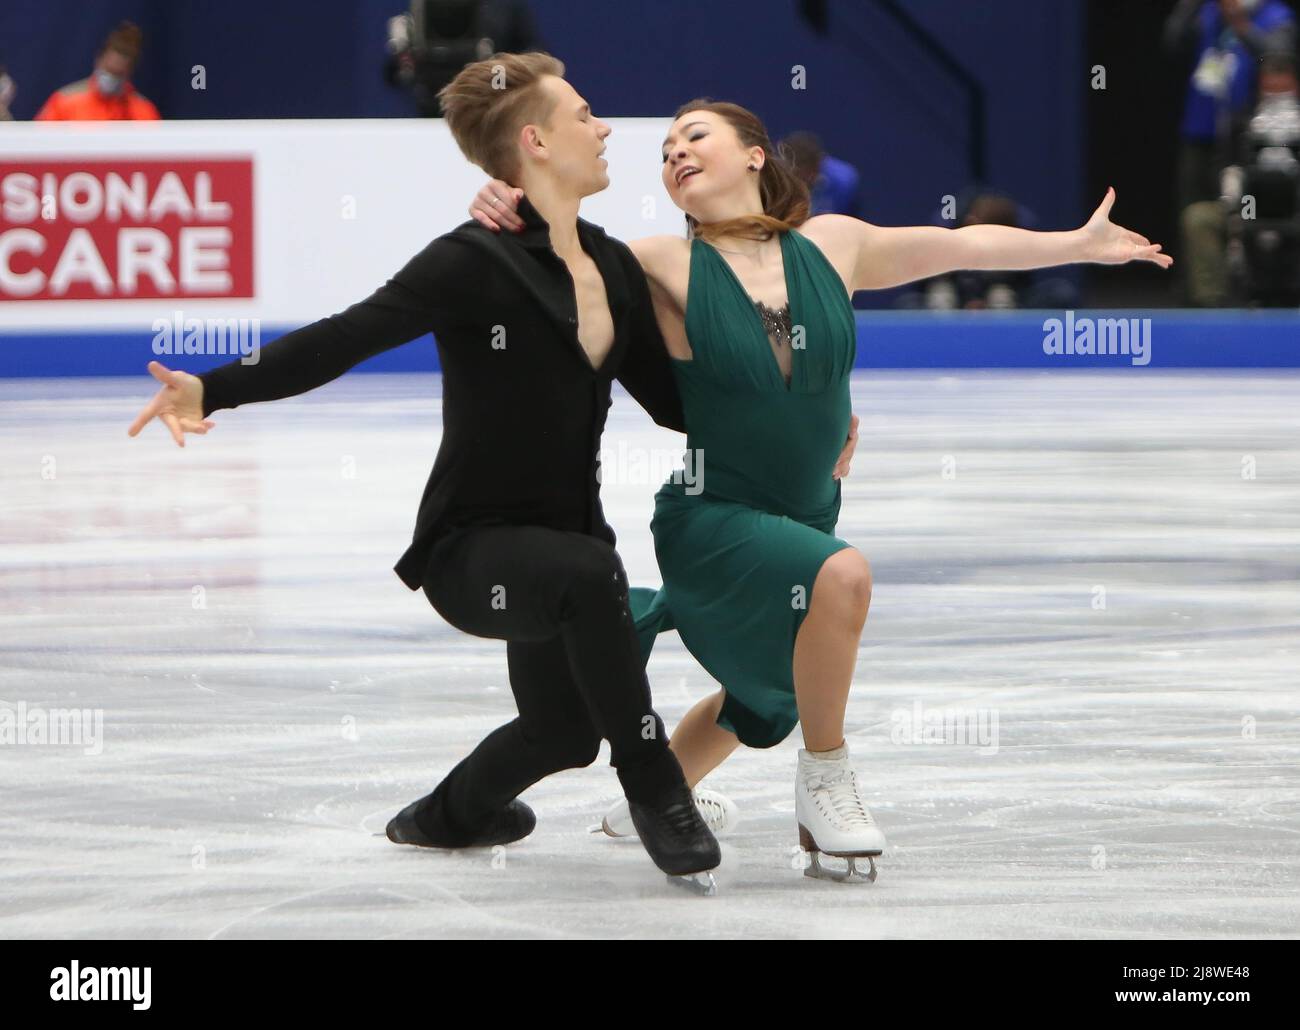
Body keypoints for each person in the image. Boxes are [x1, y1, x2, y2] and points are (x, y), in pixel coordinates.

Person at [470, 99, 1172, 882]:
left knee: (766, 695)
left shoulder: (832, 246)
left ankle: (660, 791)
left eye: (694, 137)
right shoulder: (663, 262)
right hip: (715, 513)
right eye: (665, 150)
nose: (675, 154)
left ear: (754, 157)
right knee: (842, 576)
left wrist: (1077, 243)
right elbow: (554, 266)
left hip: (805, 508)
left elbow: (959, 243)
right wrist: (510, 203)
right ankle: (827, 780)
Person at [126, 52, 726, 894]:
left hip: (564, 550)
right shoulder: (471, 261)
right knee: (595, 576)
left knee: (562, 732)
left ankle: (447, 816)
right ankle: (657, 786)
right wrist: (213, 387)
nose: (605, 129)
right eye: (586, 114)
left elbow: (675, 403)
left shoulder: (613, 265)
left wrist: (797, 420)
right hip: (472, 552)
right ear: (535, 141)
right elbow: (343, 337)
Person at [35, 21, 161, 122]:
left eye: (118, 73)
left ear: (129, 72)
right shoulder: (65, 101)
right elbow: (38, 143)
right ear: (99, 61)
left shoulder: (143, 111)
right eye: (109, 70)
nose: (111, 77)